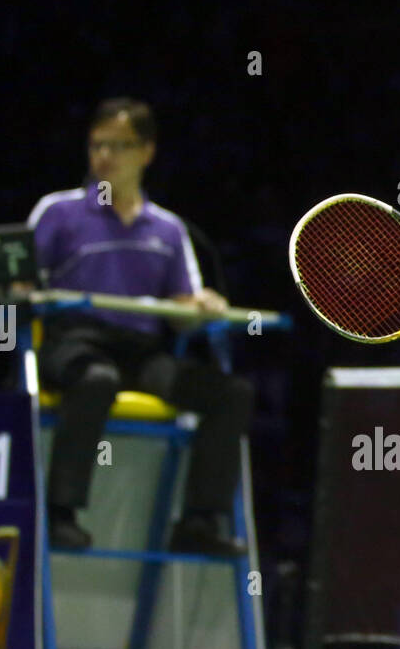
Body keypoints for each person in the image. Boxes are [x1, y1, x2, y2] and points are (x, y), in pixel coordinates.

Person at [27, 98, 254, 556]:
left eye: (118, 145)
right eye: (97, 145)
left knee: (232, 394)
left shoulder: (168, 229)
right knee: (97, 380)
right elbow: (20, 282)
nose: (104, 156)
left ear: (147, 152)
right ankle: (59, 514)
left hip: (141, 351)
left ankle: (197, 523)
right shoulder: (58, 212)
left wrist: (204, 303)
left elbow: (183, 302)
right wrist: (17, 286)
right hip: (73, 343)